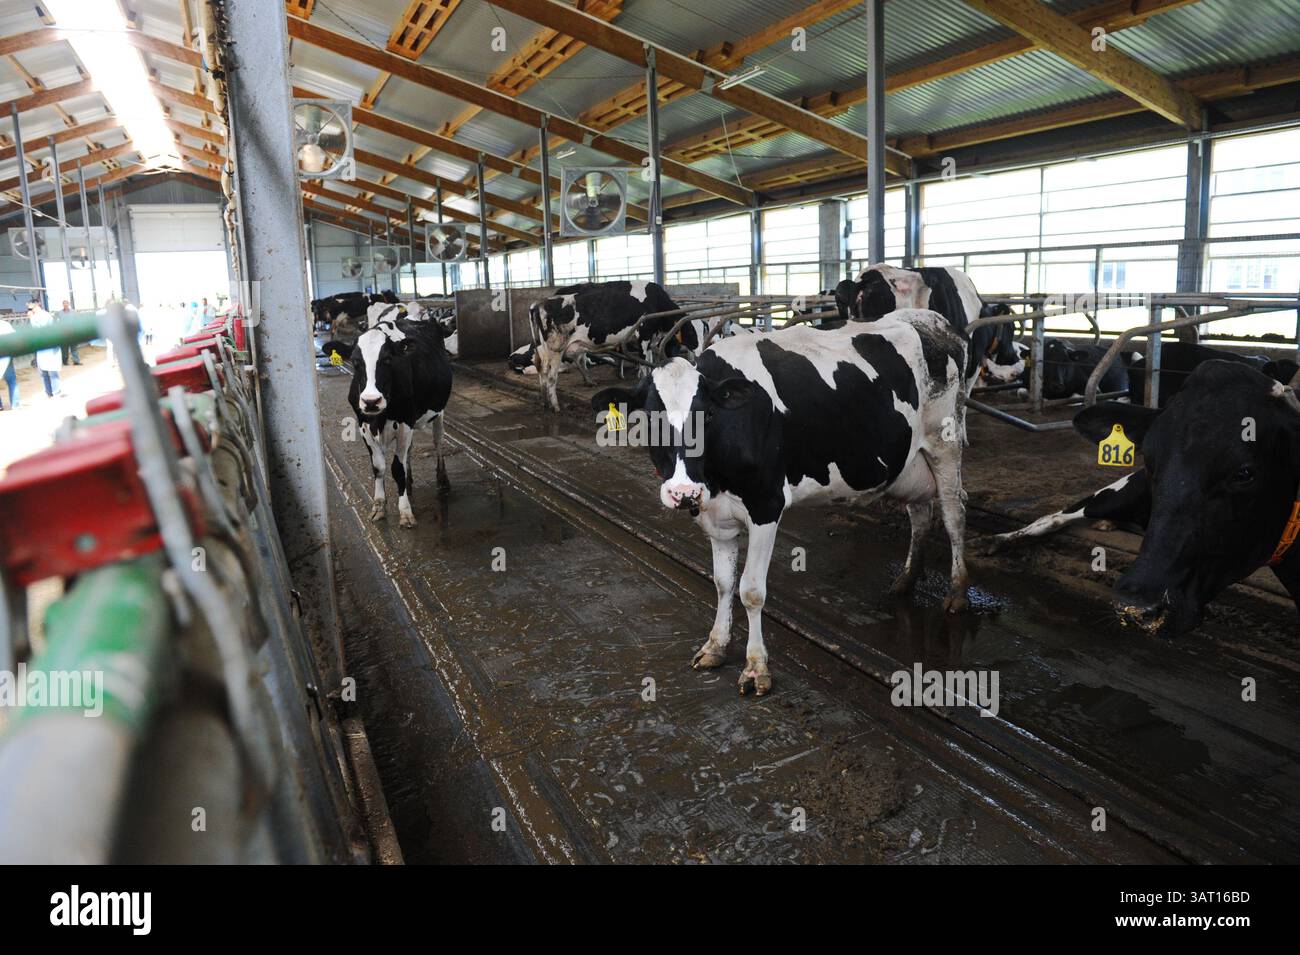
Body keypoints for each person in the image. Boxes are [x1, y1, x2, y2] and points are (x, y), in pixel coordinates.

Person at [27, 298, 62, 397]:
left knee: (52, 370)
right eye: (29, 309)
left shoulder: (44, 315)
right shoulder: (36, 316)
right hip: (41, 346)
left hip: (49, 345)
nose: (29, 311)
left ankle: (56, 393)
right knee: (43, 371)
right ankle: (49, 393)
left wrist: (31, 318)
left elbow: (40, 329)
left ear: (37, 306)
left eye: (30, 309)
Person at [0, 316, 19, 410]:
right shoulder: (5, 324)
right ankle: (15, 404)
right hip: (6, 354)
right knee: (11, 380)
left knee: (11, 380)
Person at [58, 299, 81, 366]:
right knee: (64, 349)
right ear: (62, 305)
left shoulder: (74, 312)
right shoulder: (59, 313)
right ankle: (65, 361)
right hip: (63, 333)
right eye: (64, 303)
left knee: (74, 348)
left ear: (69, 304)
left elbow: (77, 321)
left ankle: (76, 361)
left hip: (73, 333)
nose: (65, 305)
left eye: (66, 303)